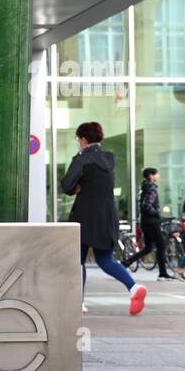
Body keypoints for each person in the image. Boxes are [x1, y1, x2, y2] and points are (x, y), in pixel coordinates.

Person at [60, 121, 146, 316]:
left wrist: (76, 187)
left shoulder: (81, 160)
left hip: (84, 217)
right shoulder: (109, 159)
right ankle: (133, 288)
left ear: (83, 139)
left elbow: (66, 186)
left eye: (78, 139)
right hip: (108, 216)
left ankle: (78, 302)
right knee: (106, 260)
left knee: (77, 261)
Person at [123, 167, 175, 280]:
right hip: (152, 222)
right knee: (161, 245)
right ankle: (162, 274)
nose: (158, 176)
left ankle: (126, 263)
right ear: (151, 176)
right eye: (157, 174)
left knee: (149, 247)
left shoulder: (144, 187)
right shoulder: (150, 188)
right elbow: (147, 205)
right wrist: (157, 214)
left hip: (145, 221)